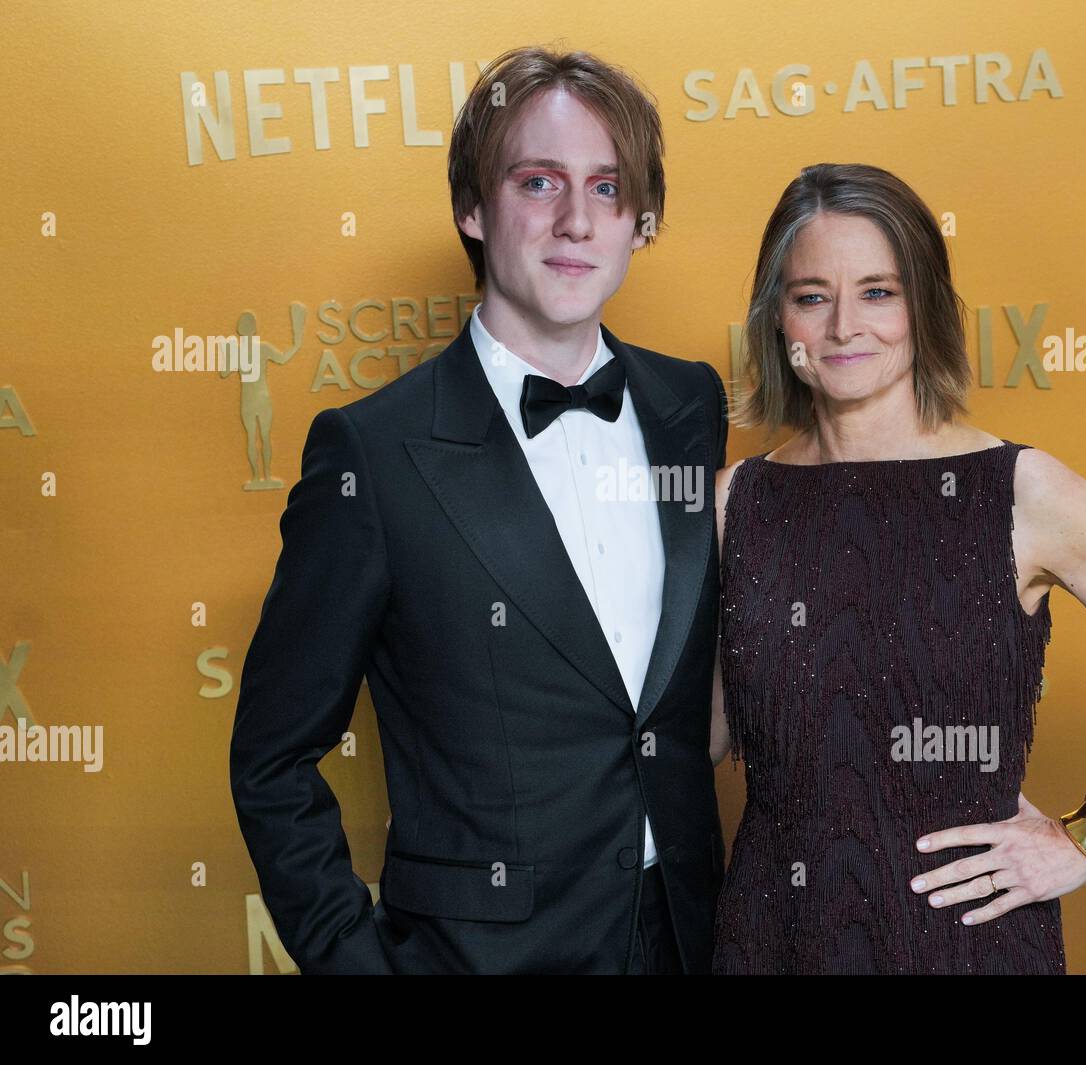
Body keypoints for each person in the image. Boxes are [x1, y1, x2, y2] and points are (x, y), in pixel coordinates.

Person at [230, 46, 729, 975]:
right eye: (539, 182)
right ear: (472, 206)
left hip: (693, 943)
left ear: (638, 222)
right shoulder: (371, 455)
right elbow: (270, 761)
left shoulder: (689, 406)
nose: (577, 220)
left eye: (608, 188)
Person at [708, 162, 1086, 974]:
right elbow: (701, 739)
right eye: (812, 295)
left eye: (879, 292)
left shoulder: (1020, 489)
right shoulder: (734, 501)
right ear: (776, 317)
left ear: (924, 306)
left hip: (968, 940)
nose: (844, 326)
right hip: (770, 937)